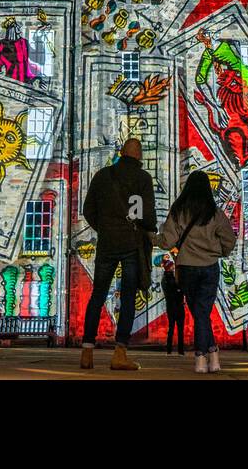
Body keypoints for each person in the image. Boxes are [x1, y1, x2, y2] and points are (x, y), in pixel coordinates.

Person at [80, 137, 156, 371]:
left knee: (98, 295)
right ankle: (120, 352)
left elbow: (88, 210)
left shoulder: (103, 176)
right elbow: (147, 215)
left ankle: (87, 350)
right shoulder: (143, 179)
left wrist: (104, 228)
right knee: (128, 297)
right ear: (139, 156)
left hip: (107, 242)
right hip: (131, 242)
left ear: (121, 152)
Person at [155, 170, 237, 373]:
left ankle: (203, 357)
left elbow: (167, 241)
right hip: (210, 268)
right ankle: (212, 355)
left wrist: (151, 237)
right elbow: (229, 239)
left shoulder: (178, 211)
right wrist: (220, 252)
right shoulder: (214, 212)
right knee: (202, 312)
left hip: (187, 268)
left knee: (199, 312)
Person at [161, 257, 185, 355]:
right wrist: (179, 291)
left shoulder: (165, 280)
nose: (173, 268)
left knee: (171, 328)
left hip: (171, 306)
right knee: (180, 329)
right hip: (177, 306)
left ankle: (169, 350)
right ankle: (180, 350)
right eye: (172, 267)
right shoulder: (172, 279)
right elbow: (178, 290)